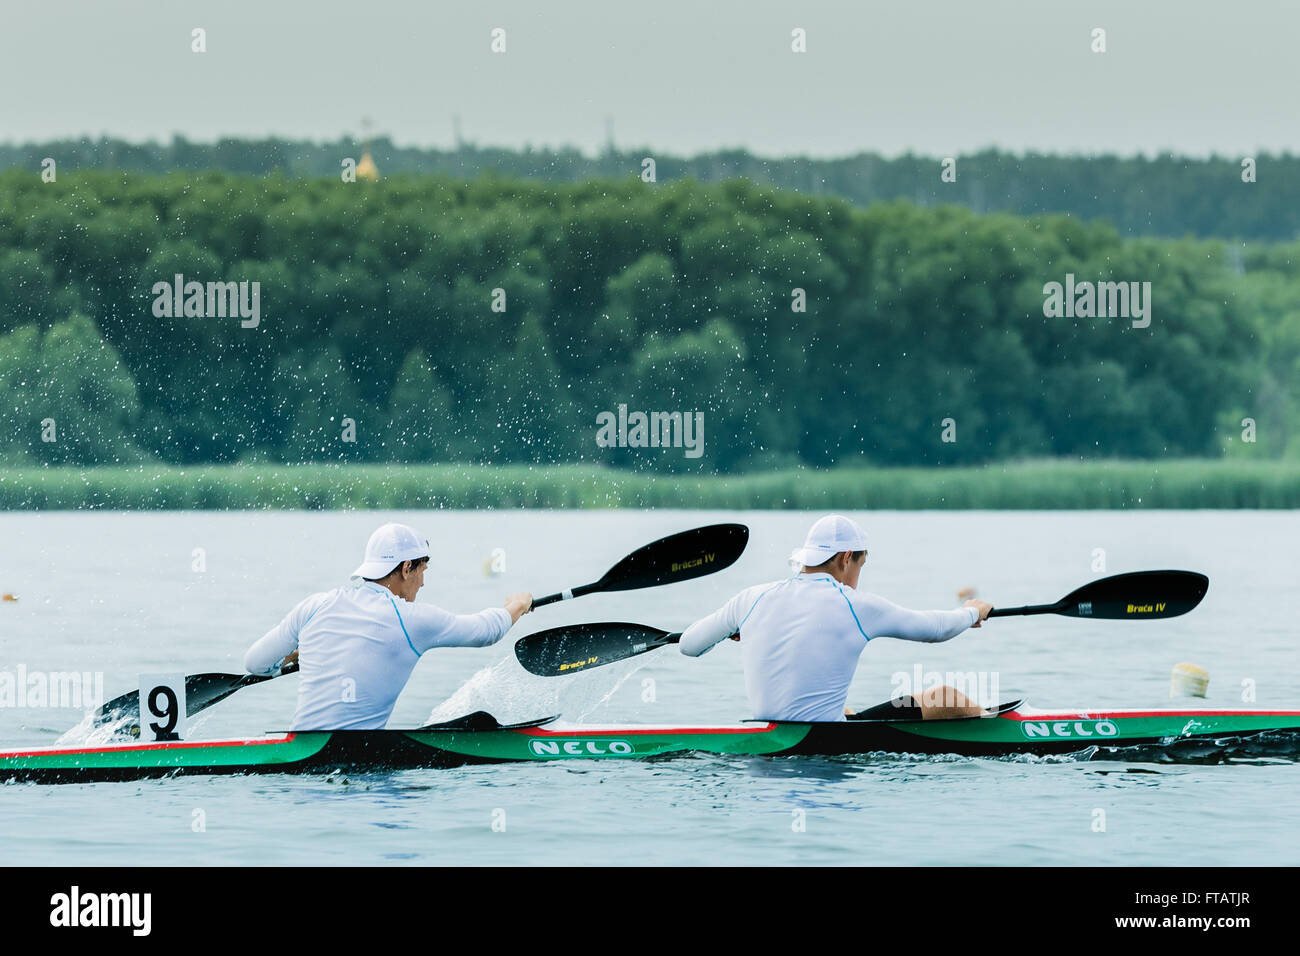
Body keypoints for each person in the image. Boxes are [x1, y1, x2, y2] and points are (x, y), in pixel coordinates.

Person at [679, 514, 993, 722]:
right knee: (945, 696)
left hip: (771, 740)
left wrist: (735, 630)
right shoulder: (853, 604)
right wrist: (970, 613)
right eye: (861, 565)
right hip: (820, 747)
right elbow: (933, 629)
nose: (858, 577)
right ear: (846, 559)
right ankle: (1004, 734)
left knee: (841, 708)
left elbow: (689, 645)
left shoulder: (750, 599)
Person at [244, 522, 532, 730]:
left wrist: (292, 659)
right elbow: (485, 631)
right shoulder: (411, 619)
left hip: (300, 755)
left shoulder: (314, 606)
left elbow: (255, 663)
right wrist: (517, 605)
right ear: (407, 568)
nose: (423, 582)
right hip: (360, 769)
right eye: (422, 571)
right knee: (479, 725)